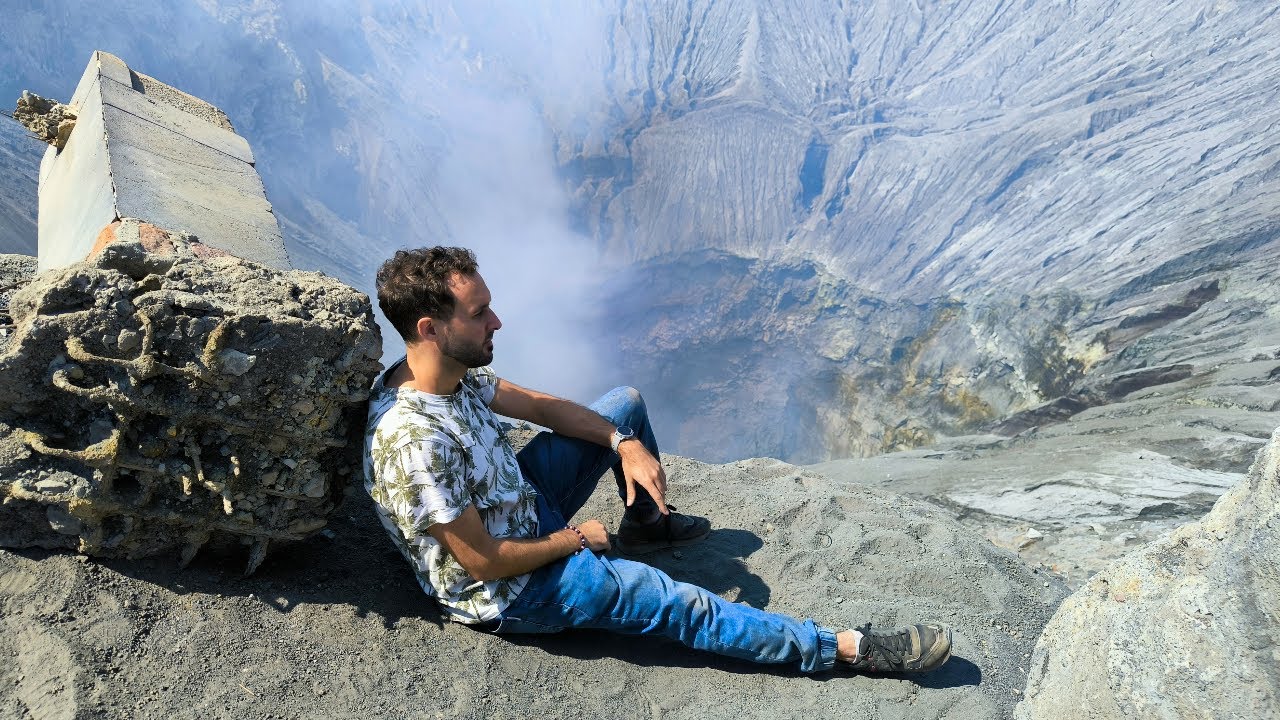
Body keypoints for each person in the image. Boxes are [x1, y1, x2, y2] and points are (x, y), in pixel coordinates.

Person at [363, 246, 953, 674]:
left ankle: (646, 523)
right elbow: (483, 563)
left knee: (624, 407)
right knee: (678, 603)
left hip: (517, 502)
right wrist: (575, 540)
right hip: (513, 589)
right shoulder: (415, 443)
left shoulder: (446, 376)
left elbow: (544, 408)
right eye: (478, 313)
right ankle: (842, 648)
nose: (496, 321)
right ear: (429, 328)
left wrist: (624, 442)